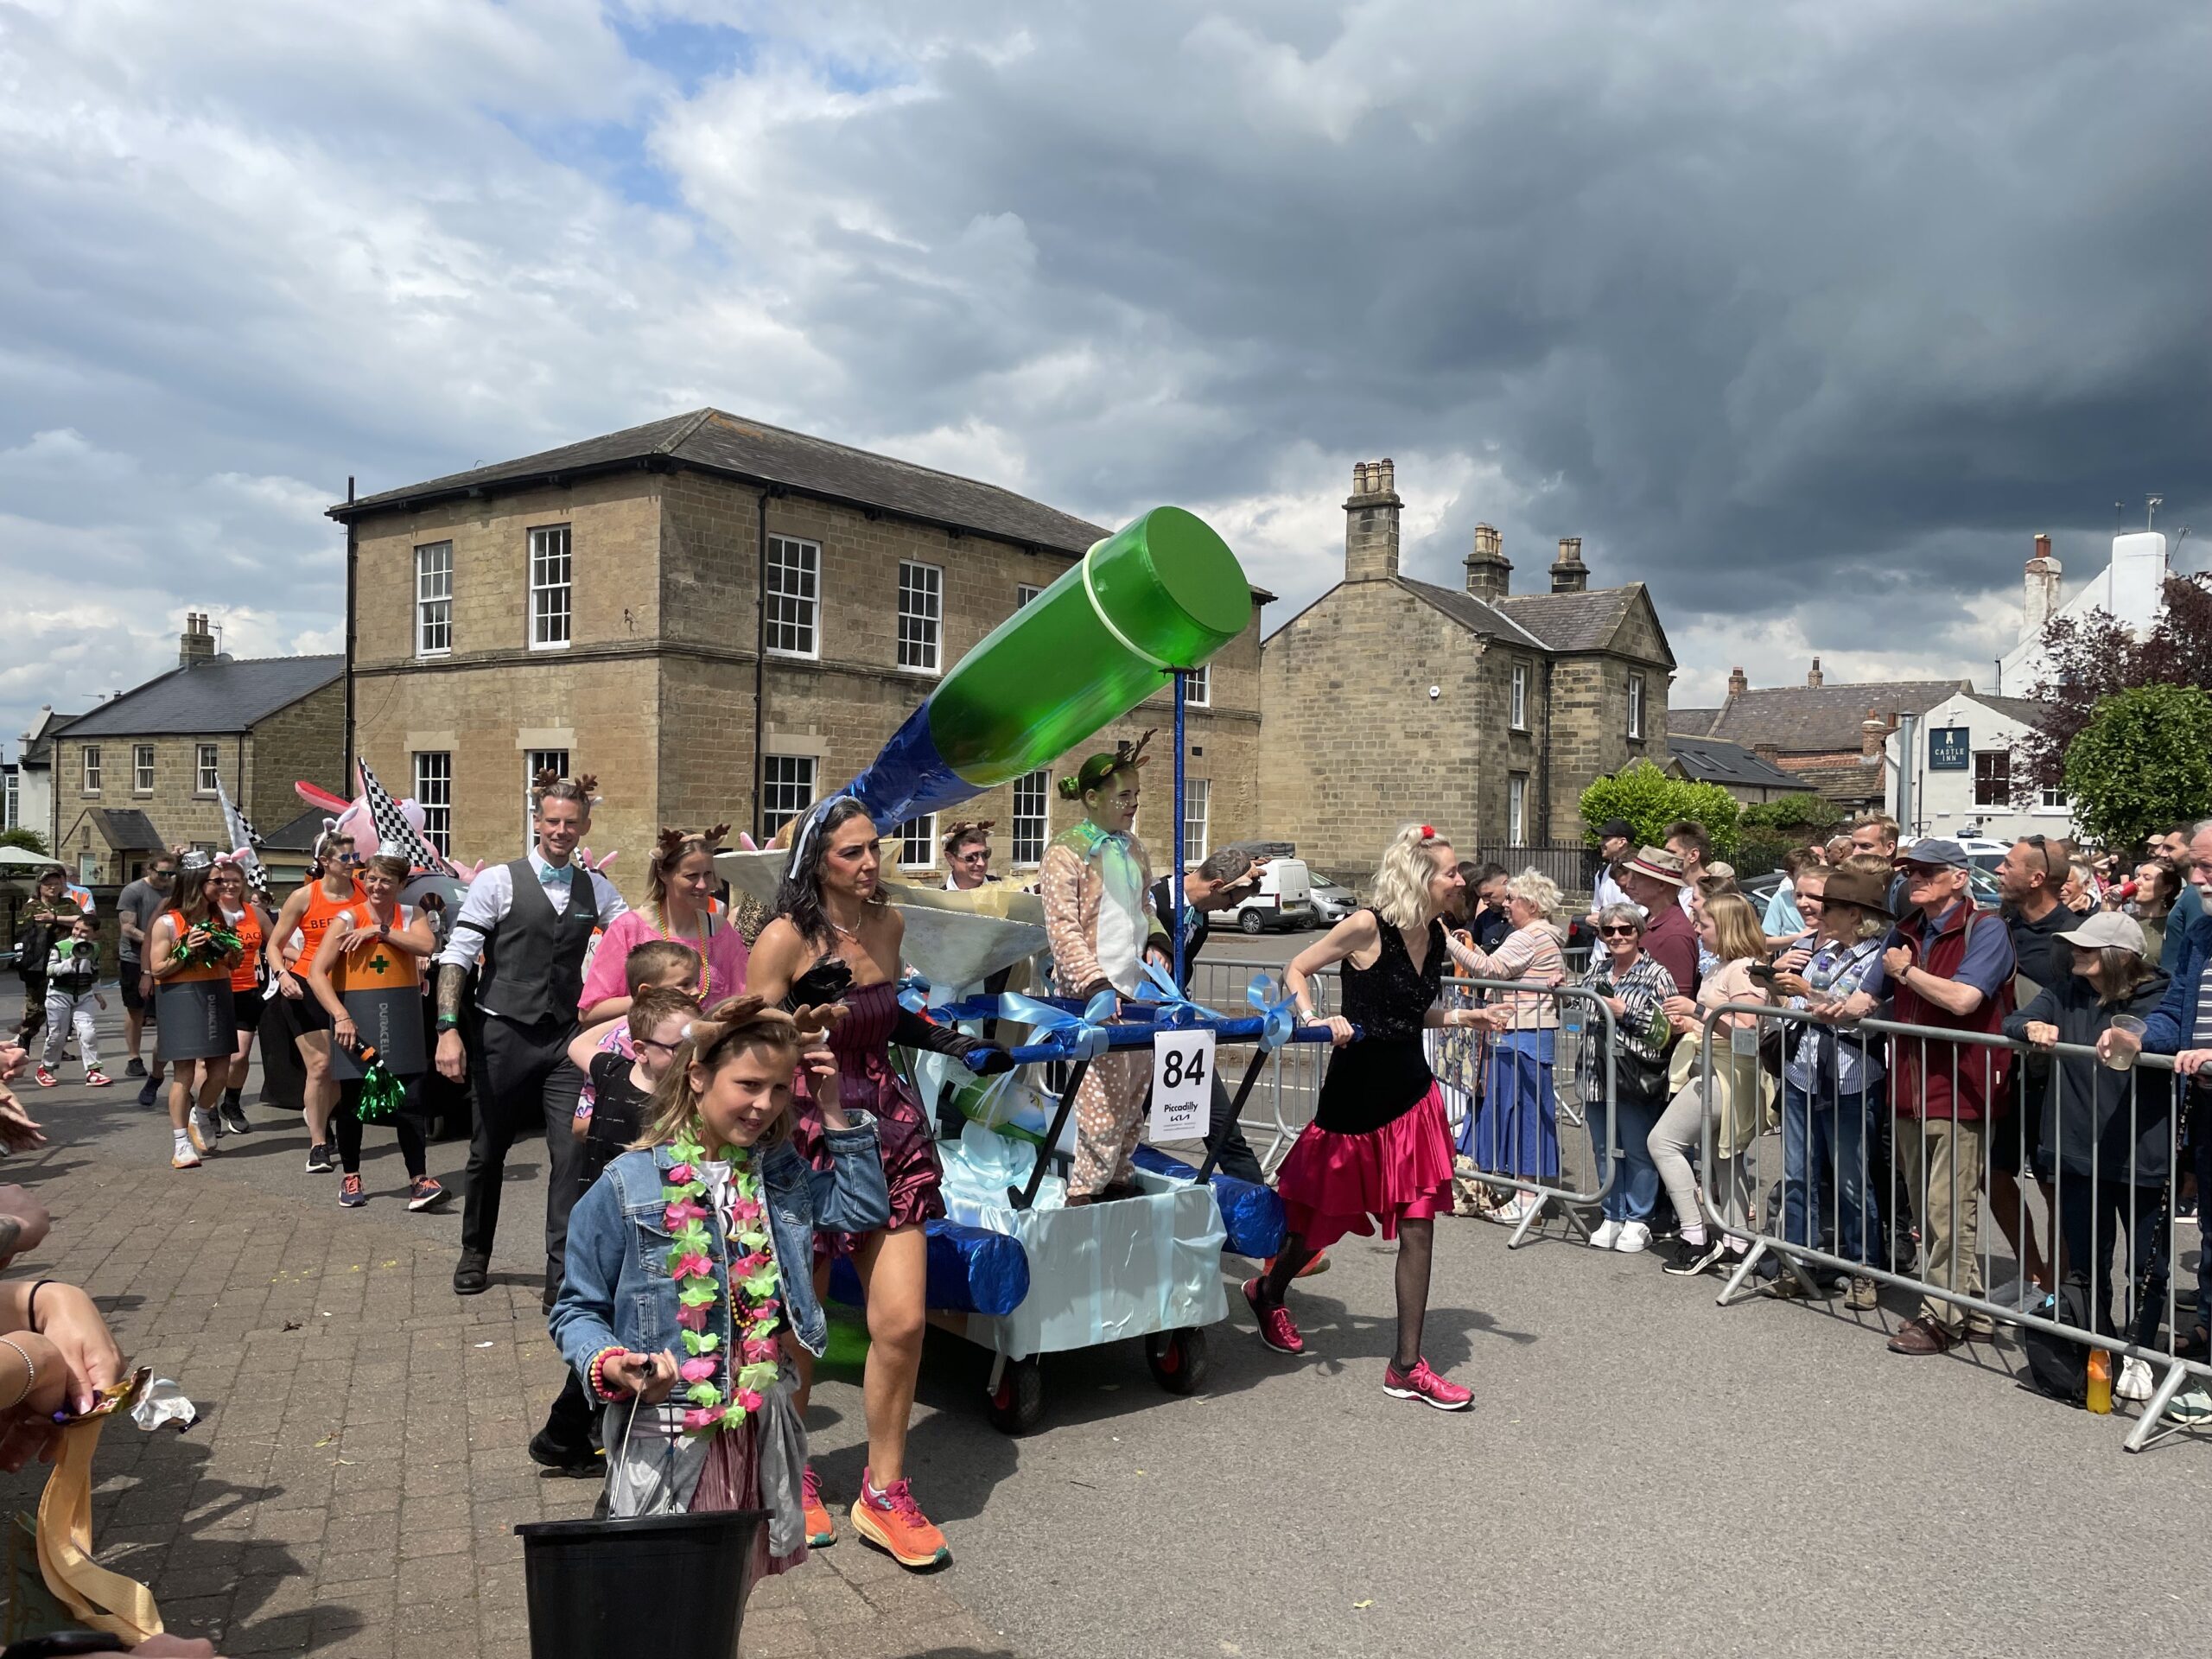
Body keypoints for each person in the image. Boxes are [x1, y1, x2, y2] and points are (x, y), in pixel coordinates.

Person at [548, 997, 889, 1589]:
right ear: (698, 1077)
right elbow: (576, 1308)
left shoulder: (777, 1177)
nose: (764, 1105)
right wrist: (610, 1363)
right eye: (749, 1084)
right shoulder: (628, 1185)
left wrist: (832, 1108)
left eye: (779, 1089)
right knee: (660, 1590)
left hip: (755, 1421)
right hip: (669, 1426)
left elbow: (863, 1207)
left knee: (726, 1589)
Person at [747, 797, 1007, 1570]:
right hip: (803, 1131)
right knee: (802, 1322)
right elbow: (746, 1044)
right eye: (851, 852)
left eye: (874, 848)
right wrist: (797, 1022)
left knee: (901, 1322)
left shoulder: (887, 925)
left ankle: (884, 1493)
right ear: (816, 862)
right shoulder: (783, 937)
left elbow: (886, 1017)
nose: (869, 864)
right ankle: (789, 1469)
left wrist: (953, 1042)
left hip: (887, 1127)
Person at [1246, 823, 1486, 1410]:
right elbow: (1296, 969)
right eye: (1451, 871)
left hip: (1412, 1099)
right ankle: (1268, 1291)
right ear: (1421, 877)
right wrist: (1314, 1019)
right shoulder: (1365, 926)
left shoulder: (1436, 932)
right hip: (1355, 1099)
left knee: (1419, 1226)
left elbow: (1411, 1015)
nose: (1460, 880)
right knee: (1316, 1222)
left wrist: (1463, 1018)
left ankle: (1406, 1366)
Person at [437, 772, 628, 1300]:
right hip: (502, 1032)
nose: (561, 831)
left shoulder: (598, 889)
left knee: (571, 1155)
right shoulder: (498, 882)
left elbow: (636, 941)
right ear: (537, 822)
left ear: (584, 826)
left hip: (566, 1039)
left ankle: (561, 1275)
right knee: (487, 1151)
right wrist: (448, 1029)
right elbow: (457, 955)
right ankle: (475, 1252)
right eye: (553, 821)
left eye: (571, 823)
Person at [531, 943, 703, 1478]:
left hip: (616, 1229)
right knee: (620, 1330)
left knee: (612, 1332)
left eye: (696, 1046)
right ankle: (568, 1436)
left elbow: (579, 1042)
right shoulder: (666, 1108)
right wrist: (635, 1008)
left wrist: (635, 1010)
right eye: (677, 1048)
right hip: (622, 1234)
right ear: (642, 1049)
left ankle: (564, 1434)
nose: (691, 1059)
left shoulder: (611, 1069)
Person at [1852, 838, 2017, 1355]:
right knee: (1930, 1212)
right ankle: (1972, 1308)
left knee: (1948, 1210)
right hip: (1909, 1088)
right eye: (1910, 872)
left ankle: (1942, 1319)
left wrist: (1906, 972)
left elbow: (1964, 999)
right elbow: (1864, 997)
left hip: (1961, 1090)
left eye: (1927, 872)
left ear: (1959, 878)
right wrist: (1814, 999)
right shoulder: (1904, 931)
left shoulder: (1985, 929)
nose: (1915, 880)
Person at [2007, 911, 2173, 1402]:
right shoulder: (2065, 990)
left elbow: (2172, 1038)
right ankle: (2097, 1345)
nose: (2075, 953)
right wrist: (2032, 1026)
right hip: (2076, 1150)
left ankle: (2139, 1351)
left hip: (2144, 1153)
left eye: (2087, 947)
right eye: (2075, 945)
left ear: (2119, 956)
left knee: (2148, 1267)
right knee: (2086, 1262)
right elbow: (2013, 1019)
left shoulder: (2161, 997)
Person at [1037, 738, 1173, 1203]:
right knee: (1102, 1104)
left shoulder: (1134, 848)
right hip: (1094, 1000)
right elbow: (1062, 928)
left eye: (1137, 796)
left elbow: (1145, 906)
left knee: (1134, 1099)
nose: (1133, 805)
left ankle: (1119, 1181)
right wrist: (1095, 983)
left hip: (1139, 994)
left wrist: (1157, 940)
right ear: (1092, 798)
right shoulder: (1065, 852)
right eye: (1124, 796)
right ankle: (1085, 1194)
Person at [2104, 817, 2212, 1372]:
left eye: (2208, 867)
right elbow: (2175, 1011)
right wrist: (2139, 1035)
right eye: (2195, 867)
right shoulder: (2200, 933)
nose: (2197, 879)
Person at [1770, 866, 1889, 1306]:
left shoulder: (1877, 959)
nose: (1820, 912)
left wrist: (1806, 992)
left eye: (1831, 906)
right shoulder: (1825, 952)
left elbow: (1853, 1015)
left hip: (1850, 1079)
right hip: (1803, 1073)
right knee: (1797, 1174)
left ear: (1855, 914)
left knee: (1852, 1181)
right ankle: (1799, 1264)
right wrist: (1780, 989)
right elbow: (1803, 1007)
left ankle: (1864, 1270)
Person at [306, 853, 446, 1212]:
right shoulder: (347, 918)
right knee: (354, 1103)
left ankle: (419, 1180)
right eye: (371, 878)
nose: (377, 886)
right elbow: (316, 973)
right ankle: (351, 1175)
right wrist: (341, 1016)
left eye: (386, 880)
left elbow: (426, 946)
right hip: (357, 1017)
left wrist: (380, 931)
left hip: (401, 1017)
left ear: (401, 885)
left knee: (411, 1101)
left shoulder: (411, 914)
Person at [1650, 892, 1772, 1276]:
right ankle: (1736, 1242)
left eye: (1704, 924)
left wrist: (1698, 1011)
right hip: (1715, 1066)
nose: (1698, 931)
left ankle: (1695, 1236)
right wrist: (1689, 1022)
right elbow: (1720, 1023)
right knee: (1725, 1157)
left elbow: (1747, 1029)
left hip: (1728, 1071)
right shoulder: (1724, 965)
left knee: (1662, 1143)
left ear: (1726, 927)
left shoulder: (1745, 969)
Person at [1449, 869, 1567, 1224]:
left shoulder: (1528, 937)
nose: (1506, 905)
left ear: (1532, 904)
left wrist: (1446, 941)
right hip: (1525, 1034)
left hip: (1523, 1035)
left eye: (1513, 899)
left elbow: (1489, 968)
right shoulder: (1542, 935)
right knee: (1522, 1113)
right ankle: (1522, 1191)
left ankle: (1527, 1196)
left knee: (1524, 1115)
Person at [1147, 847, 1271, 1187]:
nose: (1229, 909)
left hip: (1177, 1032)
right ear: (1216, 885)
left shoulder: (1200, 915)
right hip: (1136, 1031)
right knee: (1123, 1127)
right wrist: (1151, 941)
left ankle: (1258, 1204)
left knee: (1223, 1127)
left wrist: (1247, 865)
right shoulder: (1153, 899)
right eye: (1230, 901)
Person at [1993, 835, 2072, 1299]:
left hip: (2054, 1080)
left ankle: (2057, 1291)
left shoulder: (2074, 935)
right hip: (2003, 1074)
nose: (1999, 871)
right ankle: (2031, 1274)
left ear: (2037, 877)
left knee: (2052, 1186)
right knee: (1993, 1174)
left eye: (2008, 864)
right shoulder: (1998, 925)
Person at [1578, 902, 1677, 1255]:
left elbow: (1669, 1029)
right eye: (1609, 931)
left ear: (1638, 932)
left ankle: (1639, 1217)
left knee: (1636, 1149)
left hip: (1634, 1075)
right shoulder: (1596, 971)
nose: (1617, 936)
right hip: (1595, 1073)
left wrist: (1628, 1012)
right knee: (1604, 1148)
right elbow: (1579, 1009)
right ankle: (1612, 1213)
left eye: (1625, 930)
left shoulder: (1657, 974)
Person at [264, 831, 367, 1172]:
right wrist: (283, 975)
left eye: (355, 857)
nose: (353, 863)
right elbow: (274, 945)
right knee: (321, 1067)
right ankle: (318, 1145)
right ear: (325, 862)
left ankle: (316, 1113)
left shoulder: (364, 892)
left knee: (341, 1072)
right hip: (307, 986)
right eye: (345, 858)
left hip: (352, 987)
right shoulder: (304, 897)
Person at [577, 825, 747, 1023]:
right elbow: (590, 1012)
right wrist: (654, 997)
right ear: (663, 874)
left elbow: (743, 996)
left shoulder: (719, 932)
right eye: (691, 876)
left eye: (708, 874)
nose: (702, 885)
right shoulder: (629, 929)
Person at [146, 854, 242, 1170]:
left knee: (220, 1072)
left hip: (217, 994)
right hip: (181, 998)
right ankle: (180, 1144)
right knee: (184, 1074)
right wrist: (186, 948)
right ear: (197, 884)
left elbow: (233, 963)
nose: (223, 886)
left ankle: (200, 1114)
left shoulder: (222, 919)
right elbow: (158, 968)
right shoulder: (168, 922)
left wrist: (228, 951)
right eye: (217, 881)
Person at [209, 858, 272, 1136]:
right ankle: (207, 1108)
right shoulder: (207, 913)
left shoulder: (254, 913)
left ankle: (231, 1104)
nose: (230, 886)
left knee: (240, 1055)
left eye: (235, 881)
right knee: (209, 1058)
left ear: (243, 884)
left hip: (247, 990)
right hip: (213, 990)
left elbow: (277, 942)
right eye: (224, 881)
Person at [115, 854, 175, 1103]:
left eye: (171, 873)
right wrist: (157, 939)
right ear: (150, 870)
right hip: (134, 956)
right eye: (162, 873)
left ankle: (164, 1067)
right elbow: (127, 928)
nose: (166, 878)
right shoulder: (133, 891)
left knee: (165, 1014)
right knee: (135, 1009)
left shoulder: (175, 889)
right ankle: (134, 1057)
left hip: (165, 958)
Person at [33, 914, 110, 1089]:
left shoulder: (95, 949)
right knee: (57, 1035)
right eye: (76, 928)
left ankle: (93, 1071)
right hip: (59, 995)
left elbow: (94, 971)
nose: (78, 933)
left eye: (85, 931)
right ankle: (46, 1068)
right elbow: (51, 970)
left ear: (94, 933)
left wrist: (98, 994)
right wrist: (71, 961)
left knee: (88, 1032)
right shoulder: (60, 947)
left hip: (84, 995)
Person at [12, 867, 79, 1047]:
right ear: (40, 887)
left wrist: (54, 919)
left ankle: (56, 1048)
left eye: (56, 883)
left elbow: (84, 922)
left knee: (61, 1008)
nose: (52, 887)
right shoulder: (32, 907)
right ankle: (25, 1040)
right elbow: (23, 933)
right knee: (37, 1007)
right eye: (48, 884)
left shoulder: (69, 904)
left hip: (64, 962)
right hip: (38, 963)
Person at [1618, 847, 1698, 994]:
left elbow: (1677, 999)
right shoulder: (1649, 922)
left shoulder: (1675, 934)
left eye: (1637, 878)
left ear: (1661, 885)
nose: (1629, 885)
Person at [2126, 859, 2182, 963]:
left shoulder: (2174, 923)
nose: (2136, 882)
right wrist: (2107, 910)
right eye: (2137, 876)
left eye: (2147, 878)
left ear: (2166, 889)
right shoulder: (2125, 920)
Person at [1587, 820, 1636, 920]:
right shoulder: (1602, 872)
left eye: (1606, 838)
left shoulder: (1638, 872)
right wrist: (1592, 919)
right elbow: (1596, 909)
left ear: (1622, 842)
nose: (1600, 843)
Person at [1664, 820, 1710, 918]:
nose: (1665, 857)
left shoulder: (1716, 894)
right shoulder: (1670, 891)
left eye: (1671, 853)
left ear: (1693, 856)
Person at [1465, 863, 1512, 953]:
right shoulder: (1483, 919)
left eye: (1488, 895)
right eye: (1481, 897)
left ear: (1506, 884)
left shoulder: (1527, 916)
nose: (1485, 902)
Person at [941, 820, 1000, 891]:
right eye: (971, 857)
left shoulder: (1006, 889)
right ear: (950, 859)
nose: (981, 863)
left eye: (985, 854)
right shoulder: (936, 897)